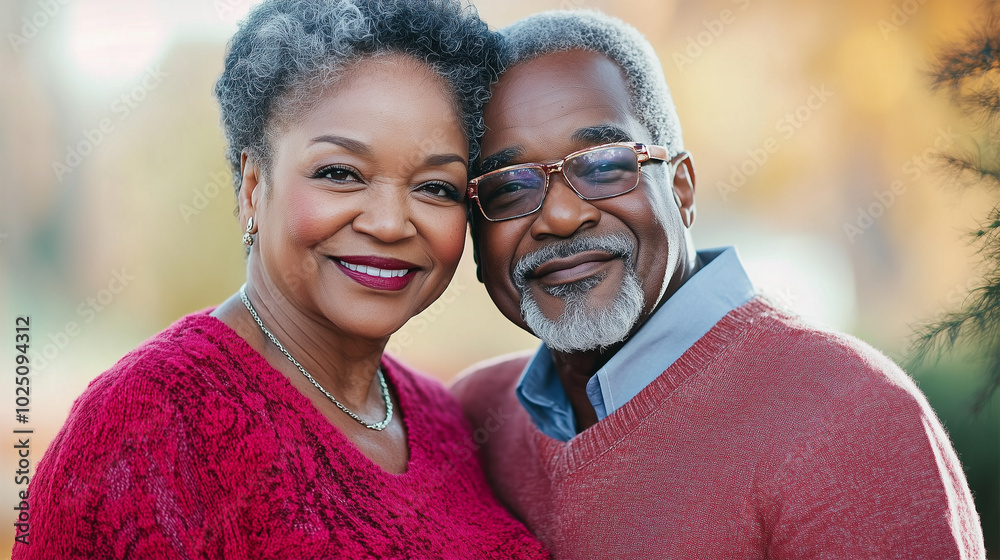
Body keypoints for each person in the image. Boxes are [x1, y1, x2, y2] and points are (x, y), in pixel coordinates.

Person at [12, 1, 550, 558]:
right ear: (252, 187)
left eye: (436, 187)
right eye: (340, 173)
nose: (390, 223)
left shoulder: (445, 420)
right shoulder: (145, 424)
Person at [451, 9, 985, 560]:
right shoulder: (469, 419)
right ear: (473, 236)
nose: (561, 217)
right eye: (507, 187)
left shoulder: (851, 415)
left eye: (605, 165)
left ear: (681, 188)